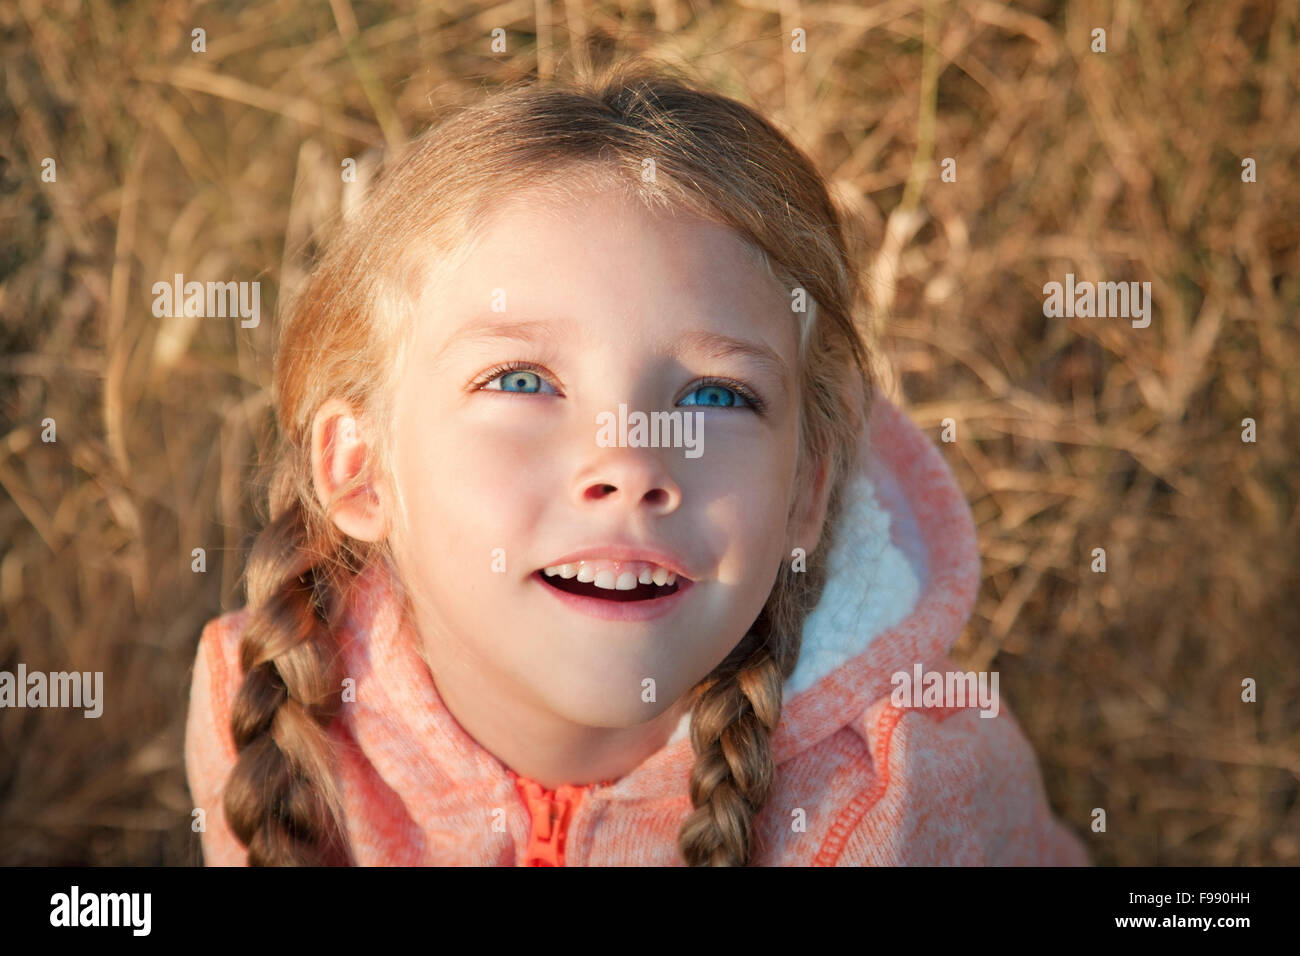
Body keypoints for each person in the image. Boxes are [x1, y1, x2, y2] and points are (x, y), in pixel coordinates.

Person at [185, 59, 1089, 866]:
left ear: (807, 493)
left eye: (714, 396)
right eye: (523, 379)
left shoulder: (899, 801)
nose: (628, 463)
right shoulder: (273, 713)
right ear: (361, 468)